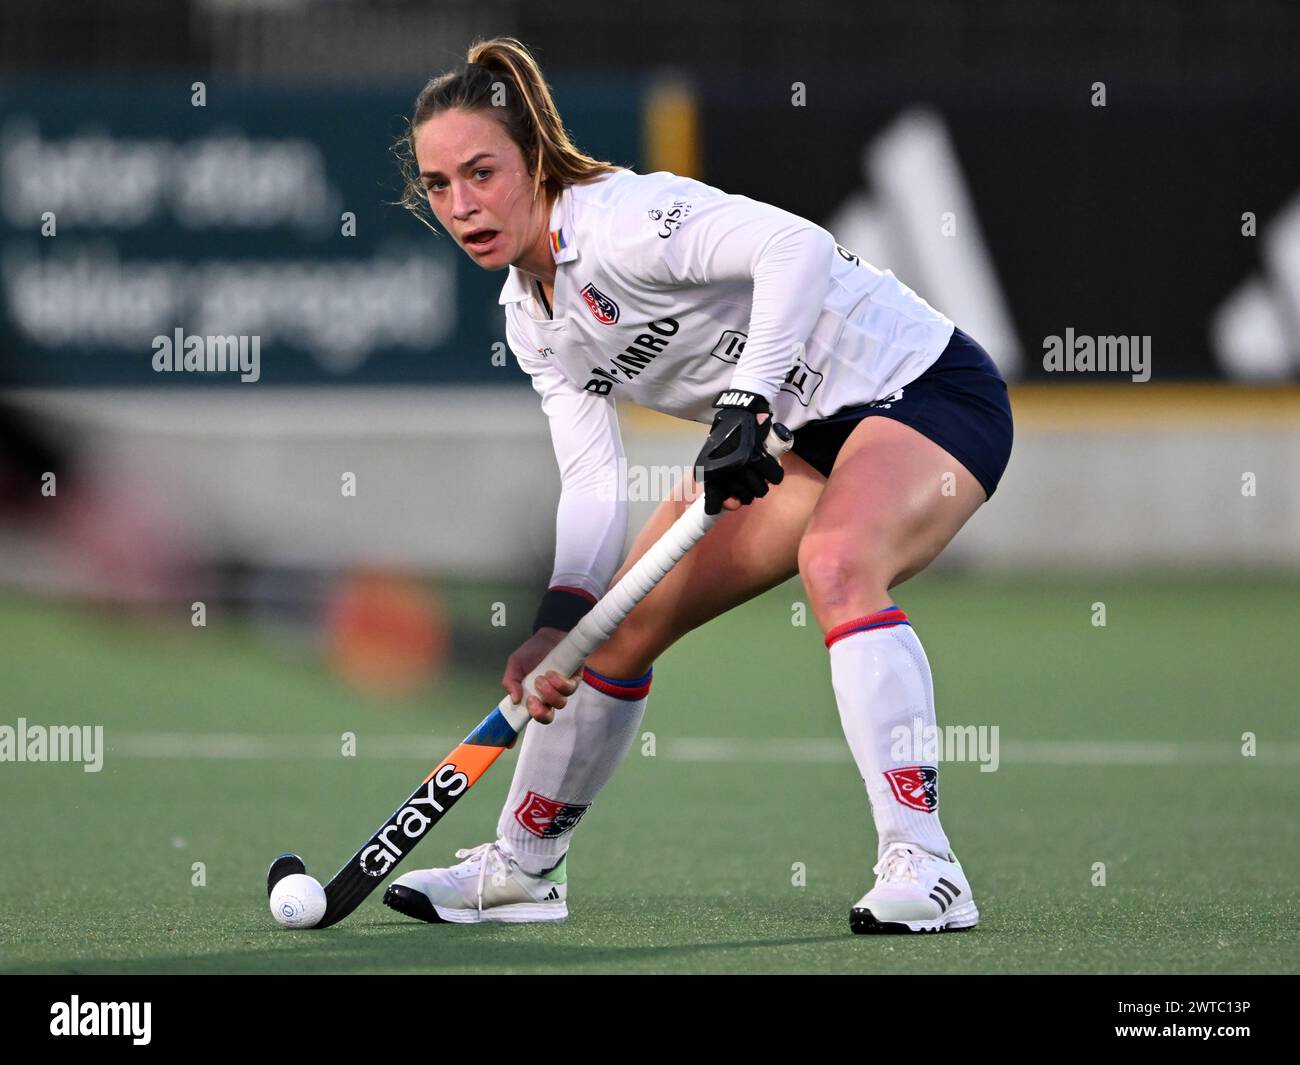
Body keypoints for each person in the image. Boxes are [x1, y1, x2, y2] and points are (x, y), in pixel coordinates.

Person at [384, 37, 1013, 934]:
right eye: (440, 185)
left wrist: (748, 402)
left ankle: (928, 863)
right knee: (611, 631)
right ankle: (524, 870)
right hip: (792, 434)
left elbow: (795, 248)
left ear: (532, 160)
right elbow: (595, 475)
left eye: (481, 172)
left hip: (922, 387)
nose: (462, 204)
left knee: (836, 562)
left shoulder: (625, 219)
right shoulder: (532, 319)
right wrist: (559, 618)